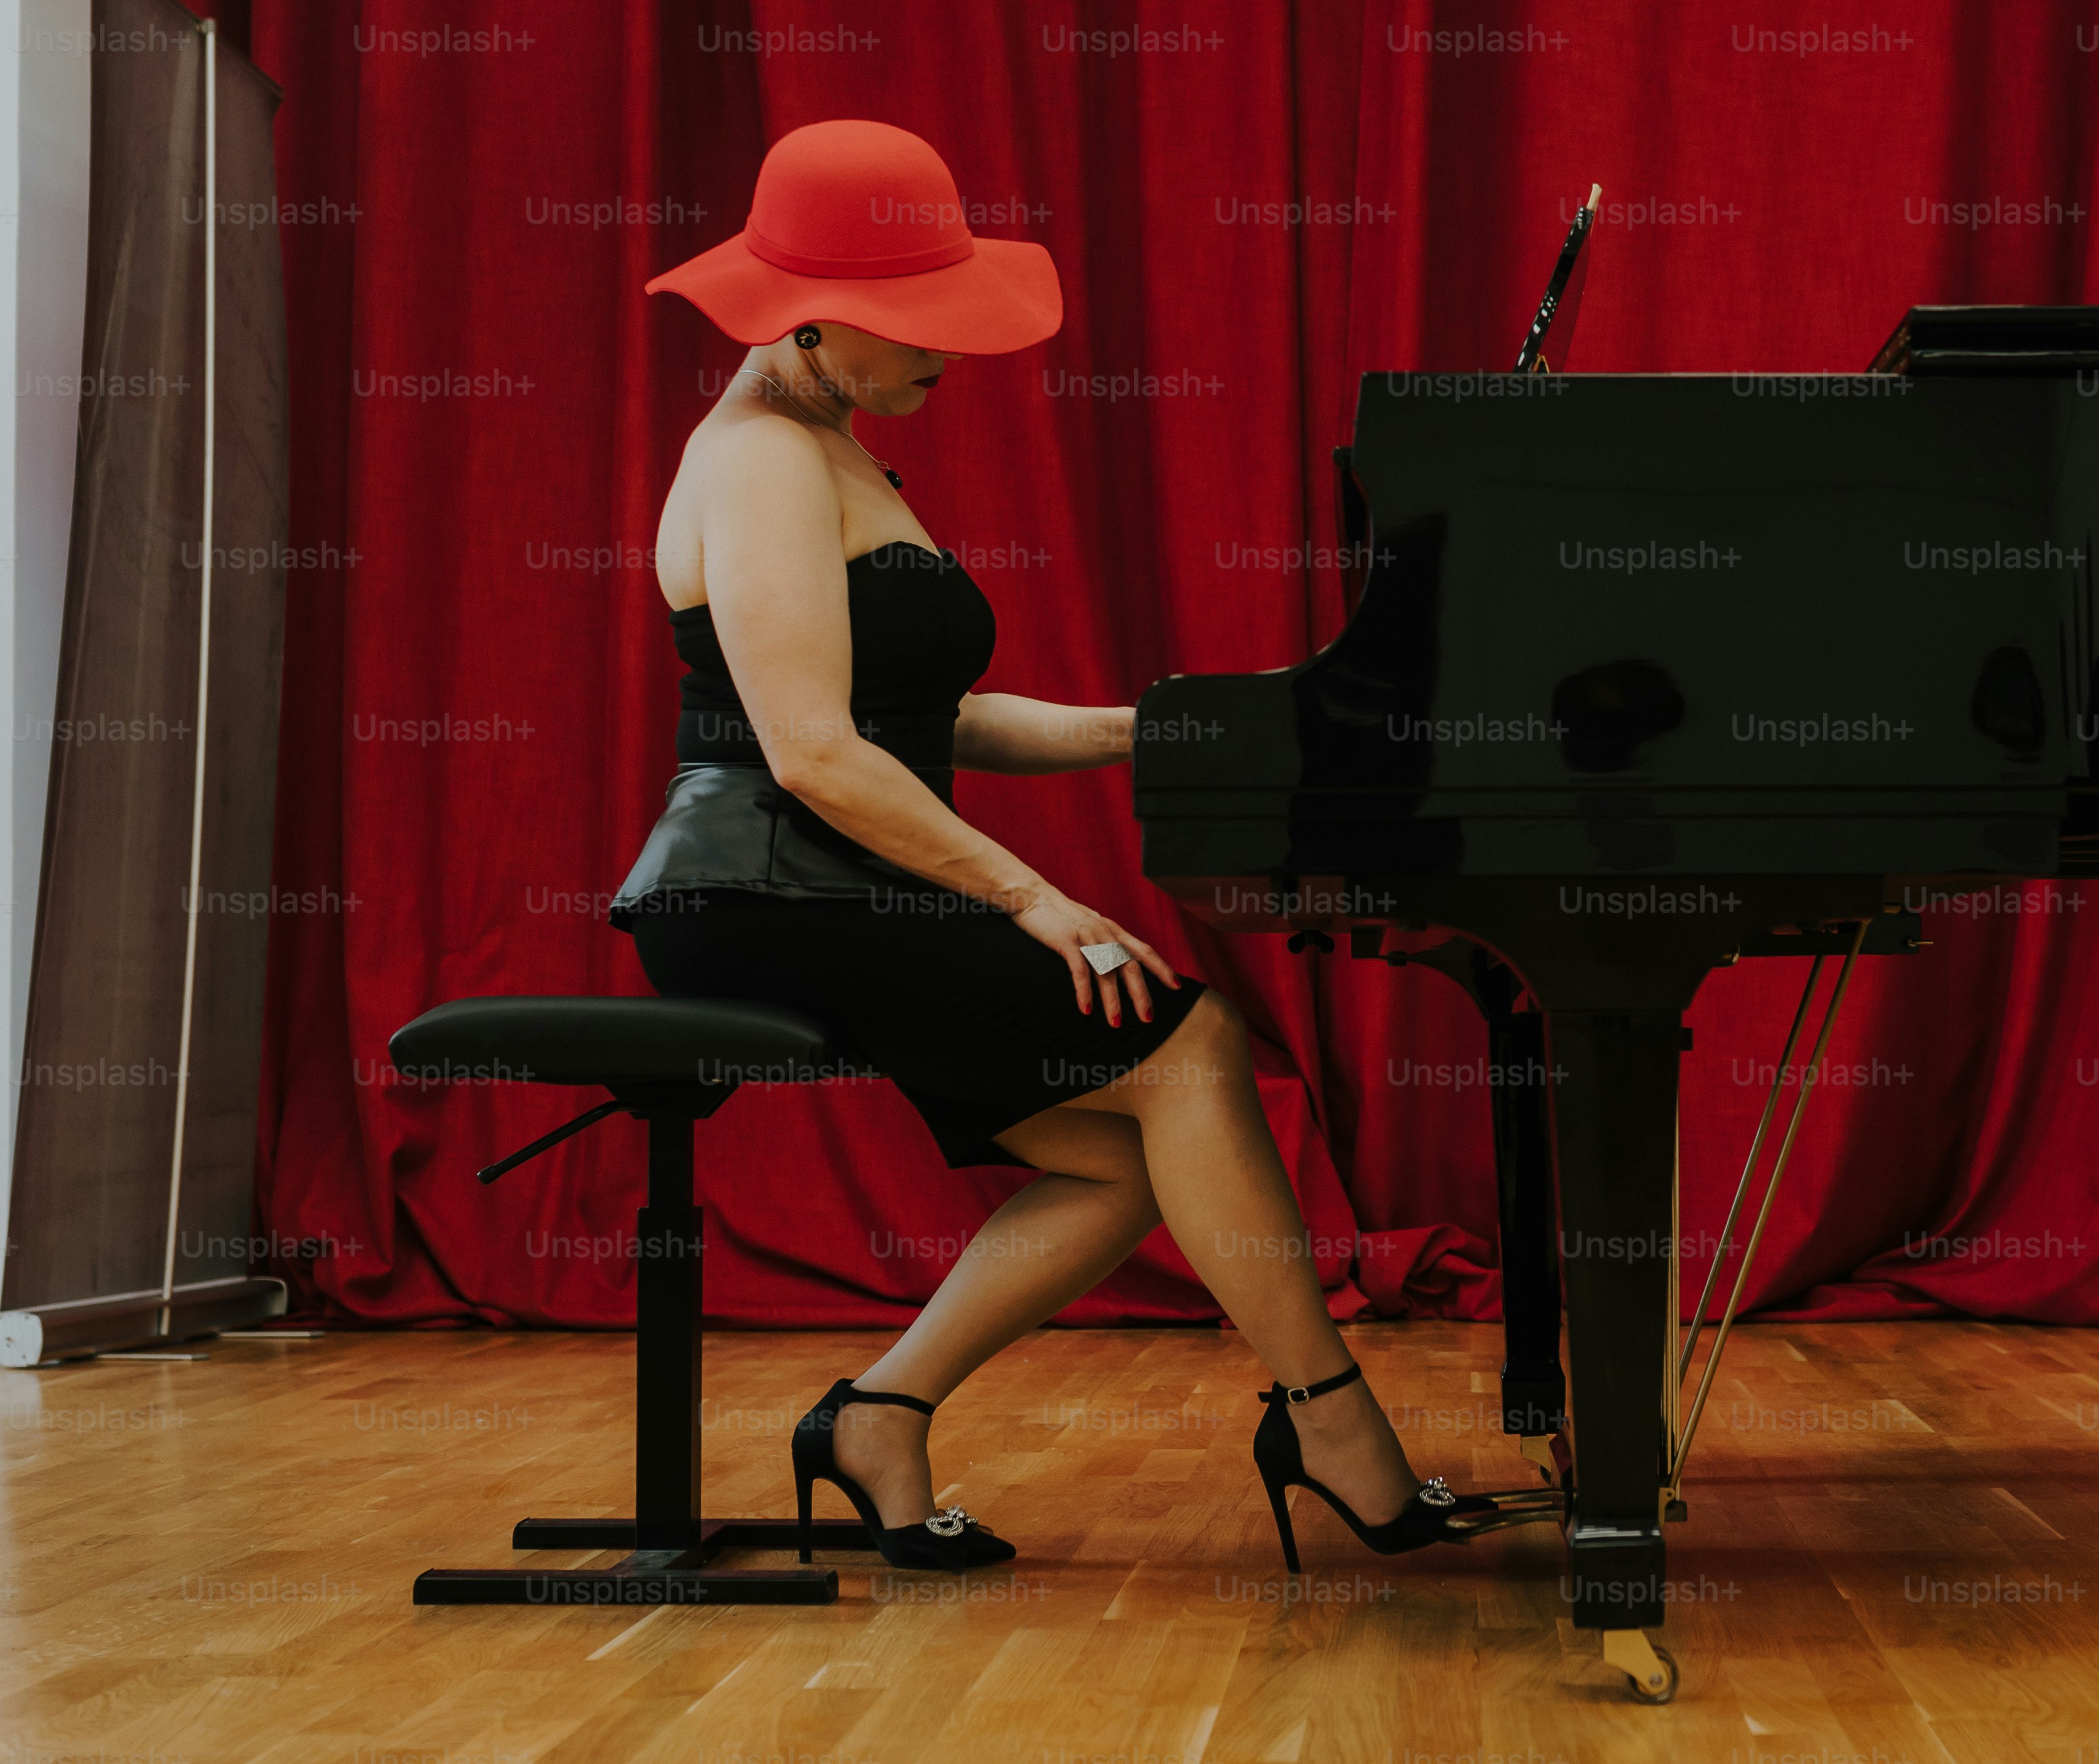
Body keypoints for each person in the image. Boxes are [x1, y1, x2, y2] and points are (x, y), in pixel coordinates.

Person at [611, 119, 1469, 1573]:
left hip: (830, 865)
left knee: (1124, 1157)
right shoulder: (759, 459)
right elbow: (813, 750)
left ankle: (878, 1415)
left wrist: (1180, 724)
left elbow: (940, 718)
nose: (952, 351)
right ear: (809, 320)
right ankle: (1327, 1423)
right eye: (917, 322)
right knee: (1186, 1052)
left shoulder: (828, 441)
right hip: (762, 879)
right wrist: (1035, 897)